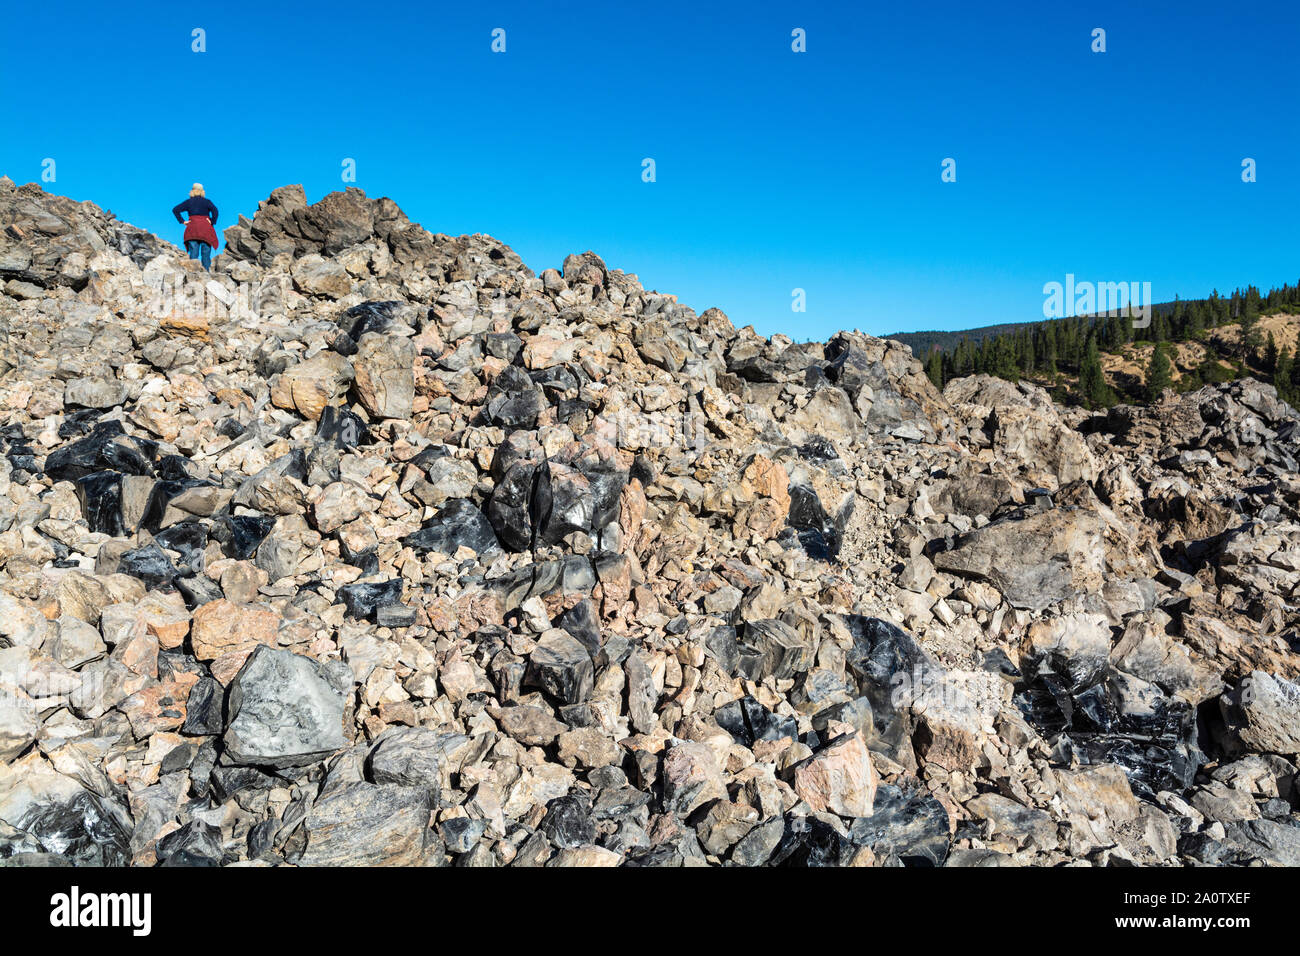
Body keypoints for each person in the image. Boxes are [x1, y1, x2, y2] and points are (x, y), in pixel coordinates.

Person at [172, 183, 219, 271]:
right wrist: (212, 221)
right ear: (202, 192)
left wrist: (182, 221)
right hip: (206, 229)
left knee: (193, 254)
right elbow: (215, 211)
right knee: (205, 254)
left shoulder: (189, 202)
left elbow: (175, 210)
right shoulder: (207, 201)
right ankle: (206, 273)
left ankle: (193, 273)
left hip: (192, 229)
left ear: (192, 191)